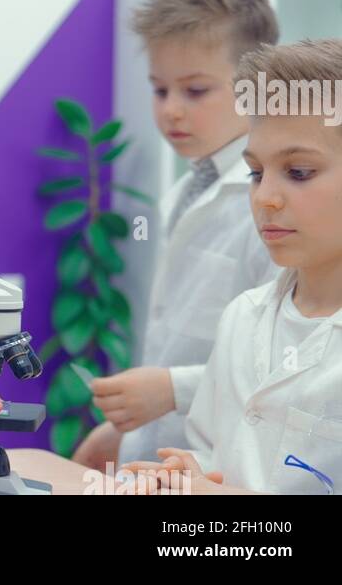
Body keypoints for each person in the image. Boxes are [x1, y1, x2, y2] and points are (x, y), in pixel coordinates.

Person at [74, 0, 281, 470]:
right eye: (159, 88)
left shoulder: (270, 203)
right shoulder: (189, 188)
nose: (170, 110)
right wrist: (130, 426)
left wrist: (173, 390)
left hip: (226, 461)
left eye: (195, 90)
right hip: (165, 450)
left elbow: (284, 358)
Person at [123, 39, 342, 494]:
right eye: (256, 173)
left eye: (299, 172)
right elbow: (217, 450)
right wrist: (191, 475)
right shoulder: (243, 316)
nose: (264, 198)